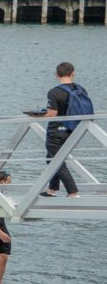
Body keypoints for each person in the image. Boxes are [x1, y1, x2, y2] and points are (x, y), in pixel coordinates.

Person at [41, 61, 88, 198]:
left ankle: (73, 192)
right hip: (73, 129)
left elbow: (52, 114)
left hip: (56, 131)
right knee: (51, 158)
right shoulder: (80, 89)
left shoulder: (54, 92)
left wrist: (36, 115)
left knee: (56, 160)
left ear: (56, 75)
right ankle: (52, 189)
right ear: (73, 74)